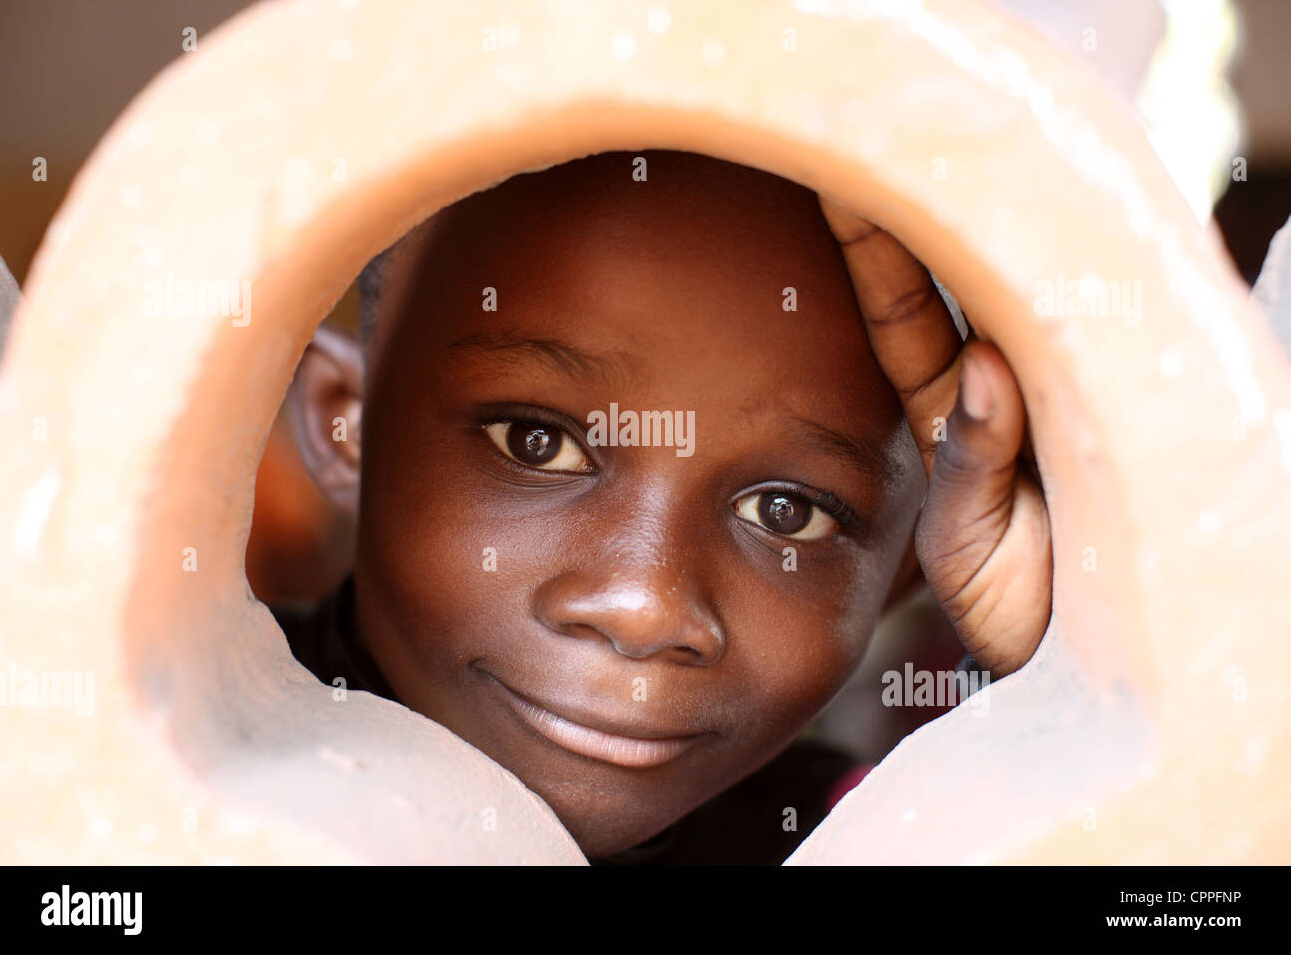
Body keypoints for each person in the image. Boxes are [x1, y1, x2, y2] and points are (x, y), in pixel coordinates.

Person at [273, 149, 1052, 863]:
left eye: (786, 512)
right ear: (347, 423)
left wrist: (1057, 700)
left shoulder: (860, 835)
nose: (644, 609)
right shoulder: (164, 745)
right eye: (538, 442)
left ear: (908, 571)